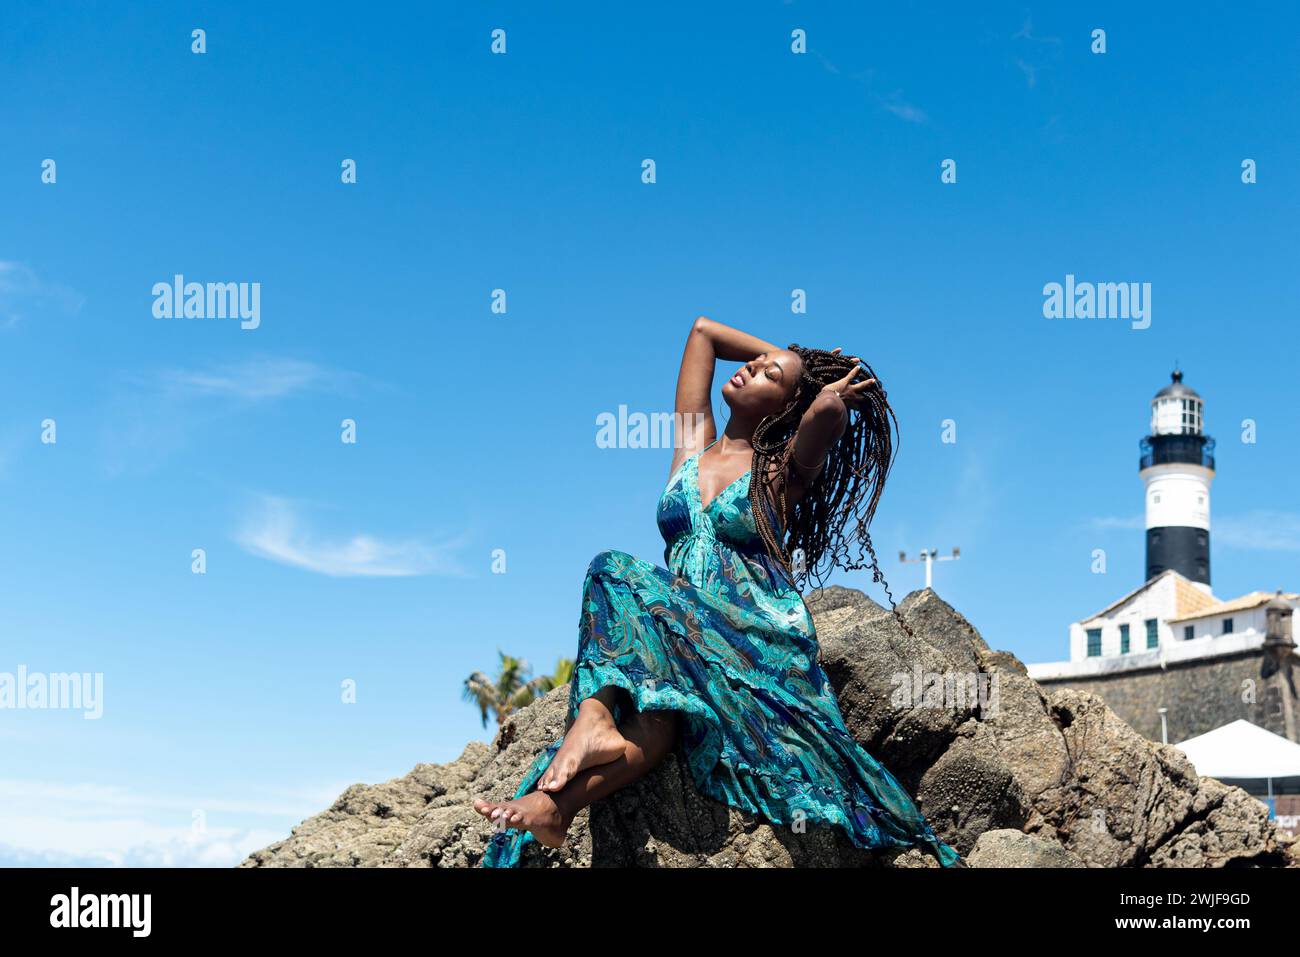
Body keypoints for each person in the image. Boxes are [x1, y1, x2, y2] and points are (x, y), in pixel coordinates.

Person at [473, 316, 963, 868]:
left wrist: (814, 389)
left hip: (749, 631)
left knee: (611, 568)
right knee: (660, 722)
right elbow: (703, 332)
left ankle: (591, 720)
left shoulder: (781, 468)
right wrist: (790, 357)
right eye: (756, 361)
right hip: (678, 627)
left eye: (767, 375)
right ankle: (557, 803)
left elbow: (824, 418)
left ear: (784, 407)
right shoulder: (690, 449)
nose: (751, 366)